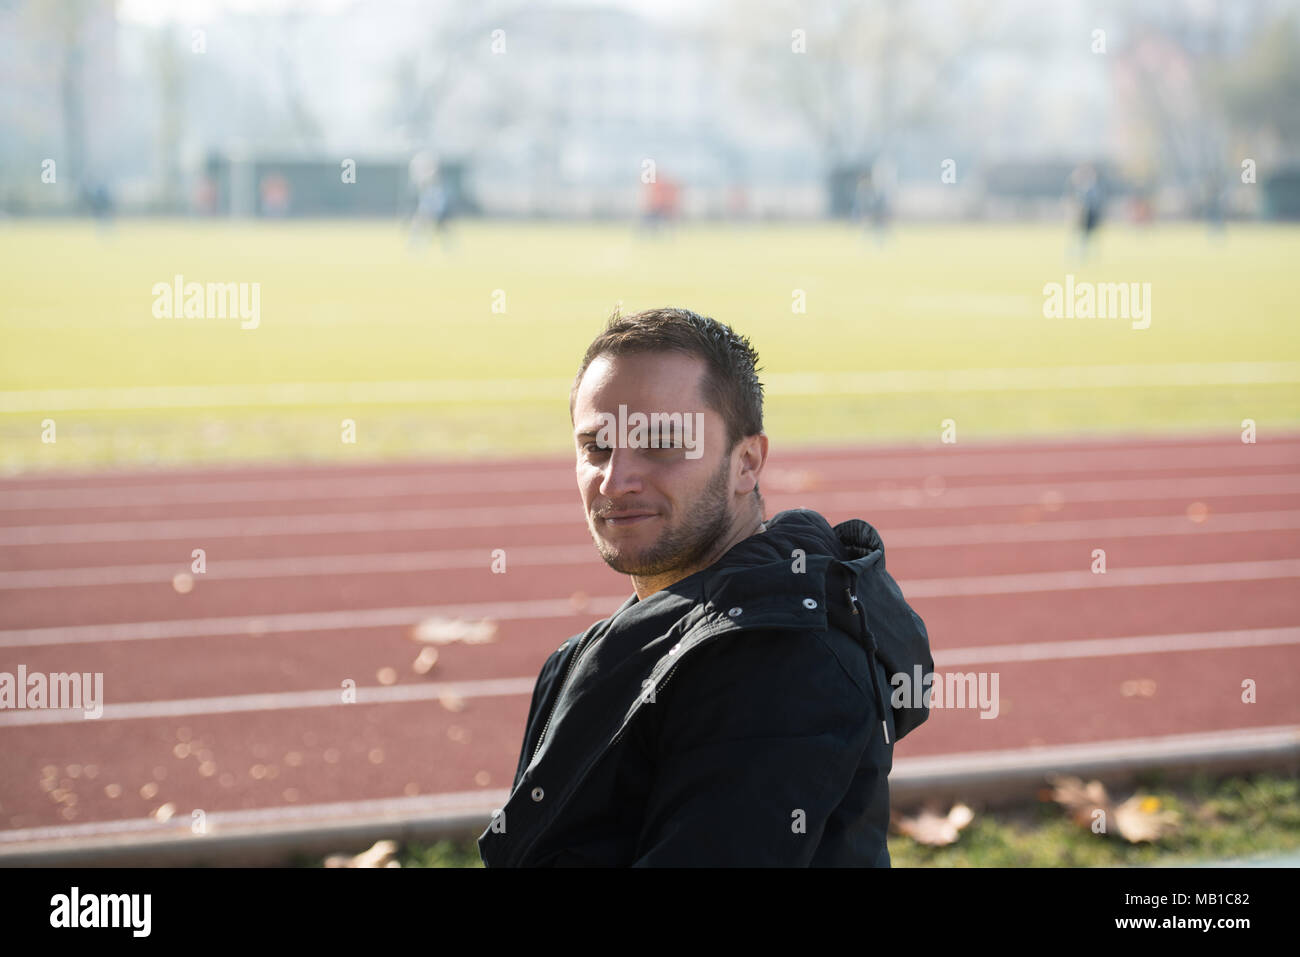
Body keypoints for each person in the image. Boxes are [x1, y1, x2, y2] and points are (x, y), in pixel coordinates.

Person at [477, 307, 933, 867]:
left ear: (747, 463)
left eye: (662, 442)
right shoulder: (652, 633)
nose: (616, 480)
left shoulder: (780, 661)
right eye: (597, 446)